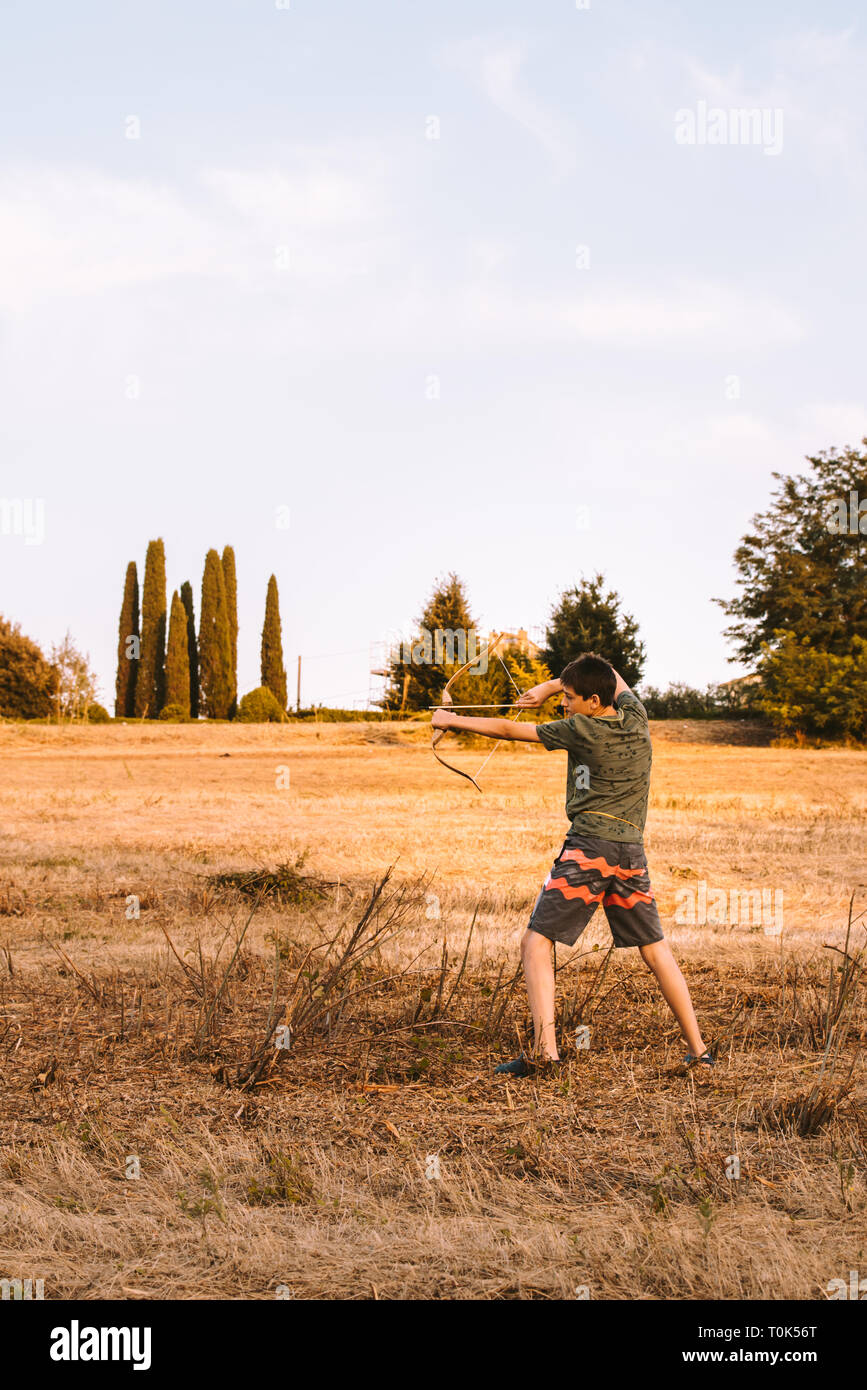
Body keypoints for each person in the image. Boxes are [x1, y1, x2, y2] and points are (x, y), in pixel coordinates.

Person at [430, 652, 714, 1077]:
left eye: (569, 697)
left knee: (535, 943)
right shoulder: (636, 717)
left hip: (588, 850)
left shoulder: (582, 728)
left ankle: (546, 1055)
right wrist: (548, 687)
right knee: (655, 949)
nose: (563, 703)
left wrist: (451, 720)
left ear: (594, 700)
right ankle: (700, 1050)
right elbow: (615, 674)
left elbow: (509, 730)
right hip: (630, 853)